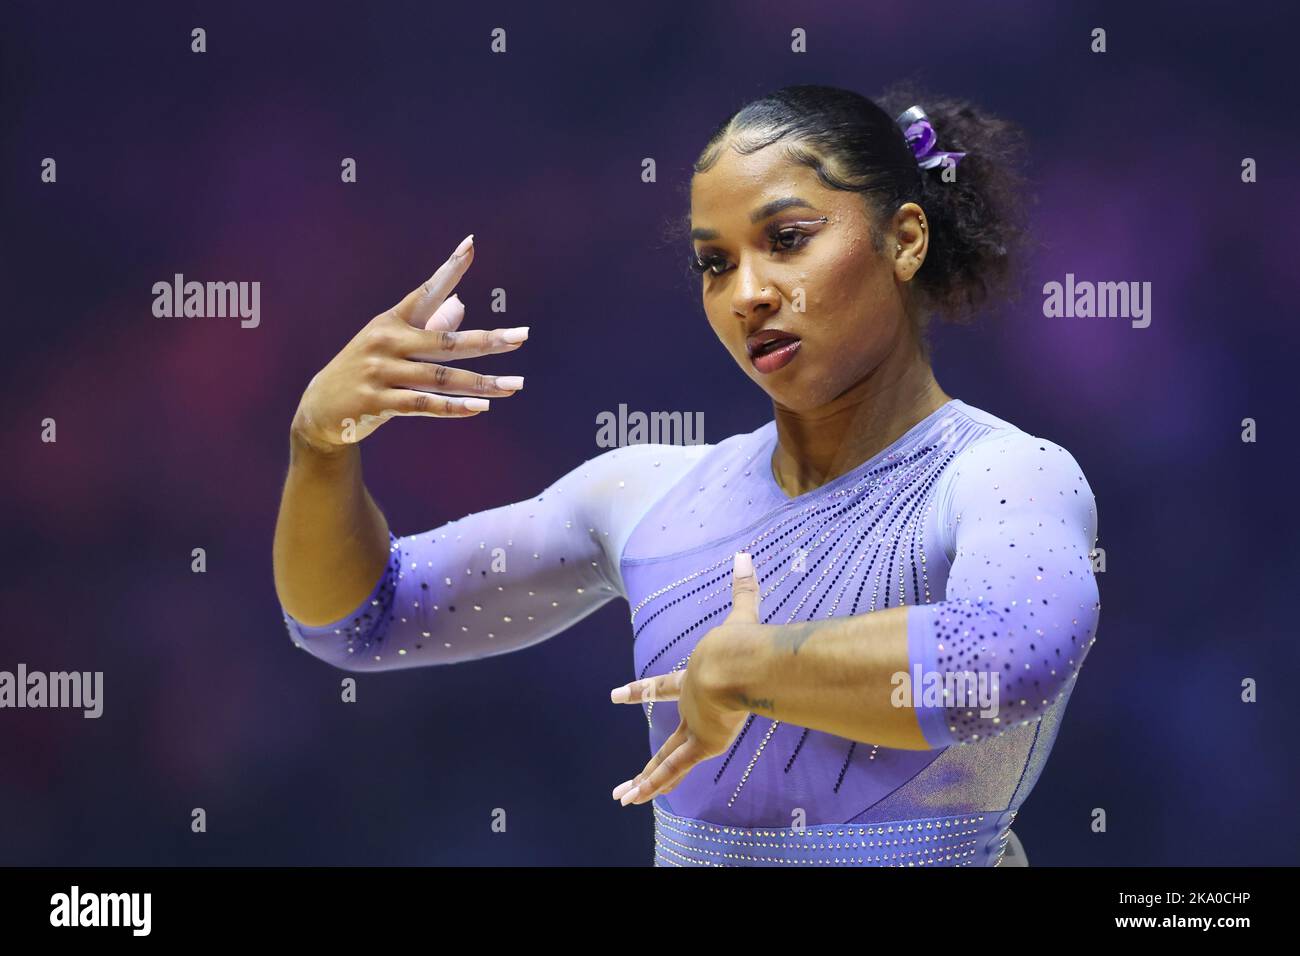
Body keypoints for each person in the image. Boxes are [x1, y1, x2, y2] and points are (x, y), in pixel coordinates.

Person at [272, 84, 1101, 867]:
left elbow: (1011, 656)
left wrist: (753, 668)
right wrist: (318, 446)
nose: (747, 294)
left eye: (787, 240)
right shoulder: (645, 496)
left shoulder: (1003, 474)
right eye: (714, 262)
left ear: (904, 239)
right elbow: (364, 621)